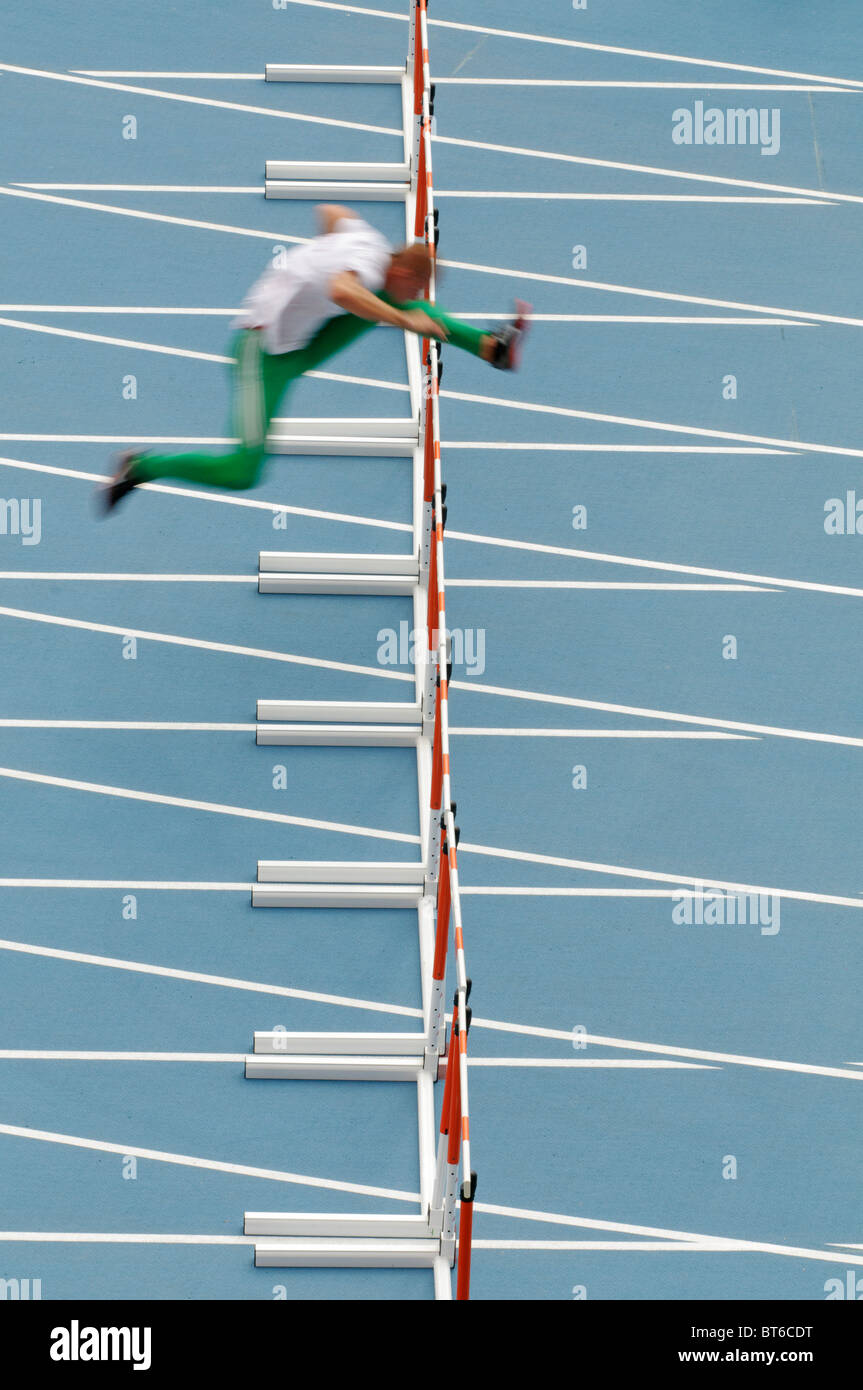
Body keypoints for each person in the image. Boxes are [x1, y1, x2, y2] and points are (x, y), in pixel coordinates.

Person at [100, 205, 529, 511]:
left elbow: (329, 211)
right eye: (415, 288)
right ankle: (141, 466)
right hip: (261, 353)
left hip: (301, 341)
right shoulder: (367, 263)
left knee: (414, 315)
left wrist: (316, 260)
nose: (416, 297)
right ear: (401, 272)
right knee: (242, 472)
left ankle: (494, 347)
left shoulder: (367, 240)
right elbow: (343, 291)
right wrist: (400, 316)